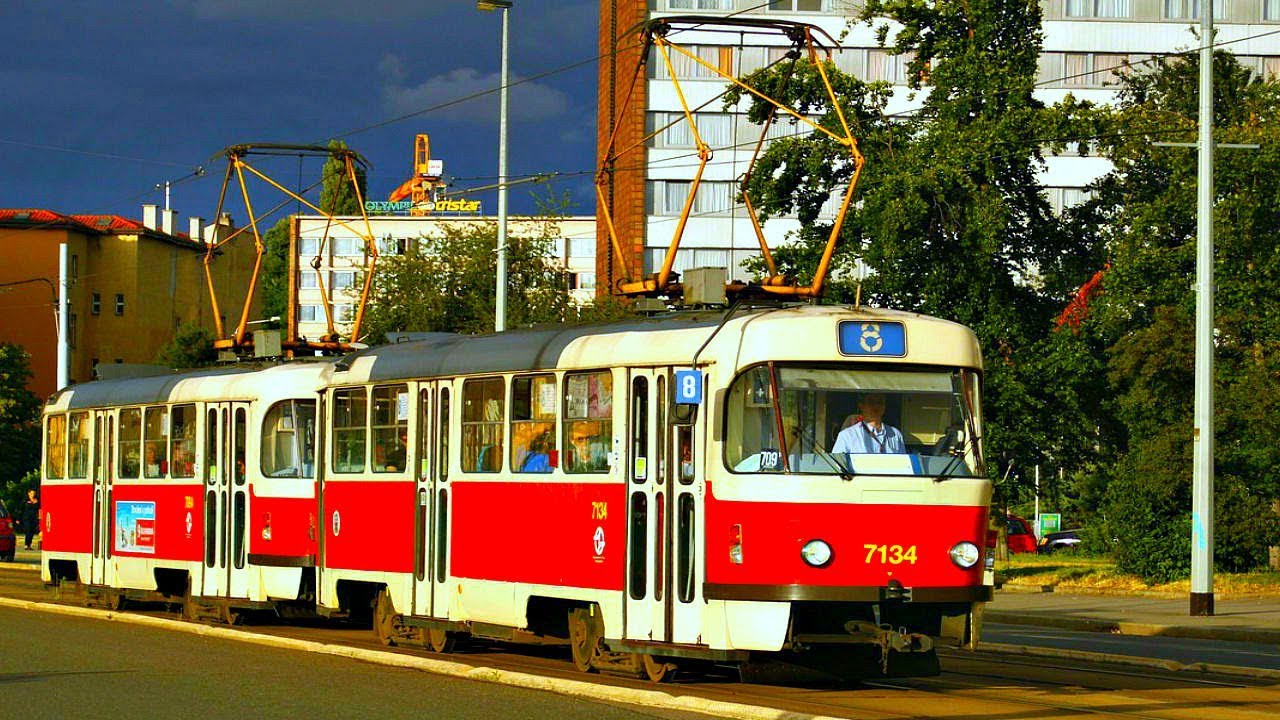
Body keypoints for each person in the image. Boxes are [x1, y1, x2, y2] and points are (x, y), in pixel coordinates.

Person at [831, 393, 906, 454]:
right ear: (861, 405)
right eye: (871, 402)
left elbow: (904, 466)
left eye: (880, 402)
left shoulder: (895, 434)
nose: (876, 406)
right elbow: (837, 467)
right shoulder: (847, 435)